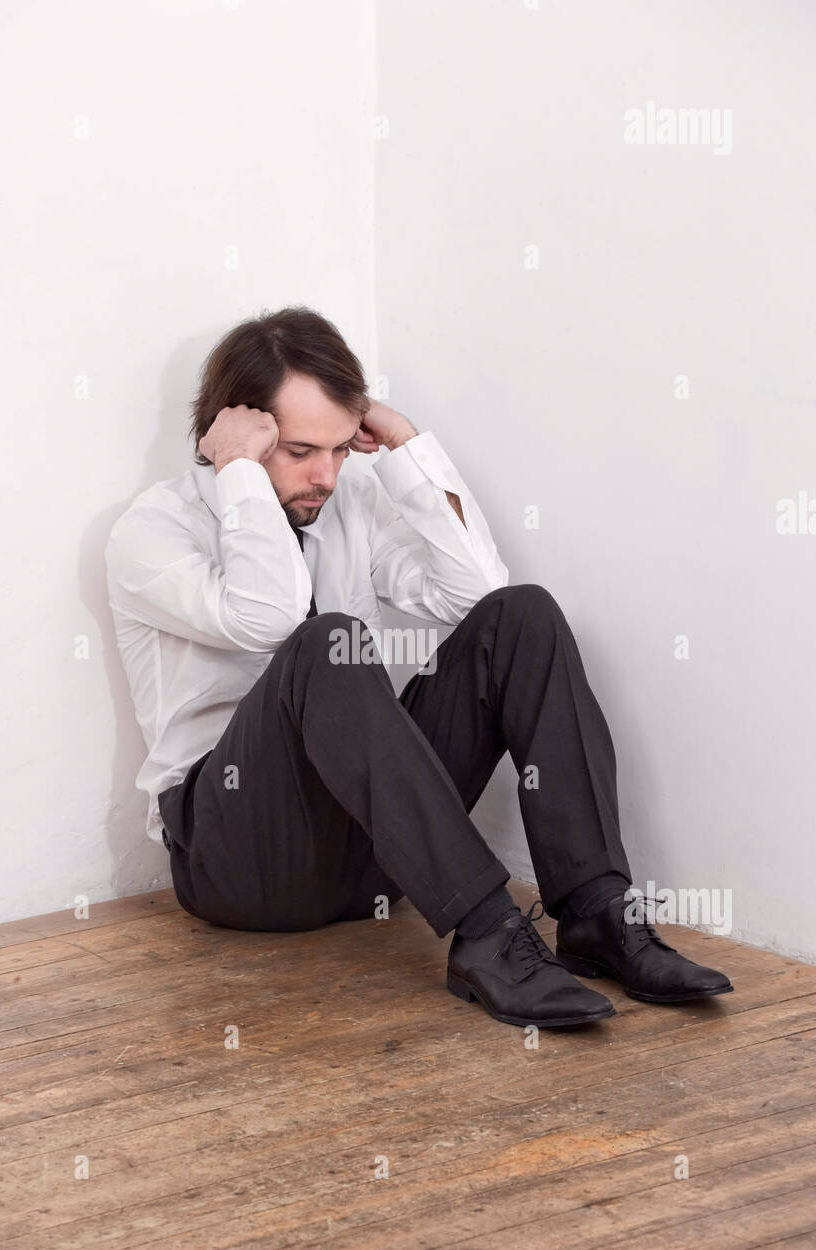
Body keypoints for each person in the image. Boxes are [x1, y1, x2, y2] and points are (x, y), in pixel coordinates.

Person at [105, 305, 732, 1031]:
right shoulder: (152, 532)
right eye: (301, 450)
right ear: (231, 429)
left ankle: (596, 911)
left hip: (377, 855)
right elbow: (268, 617)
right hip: (238, 861)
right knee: (328, 643)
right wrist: (240, 473)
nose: (327, 476)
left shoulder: (348, 505)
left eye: (342, 450)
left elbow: (477, 591)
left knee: (521, 615)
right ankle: (490, 936)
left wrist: (404, 447)